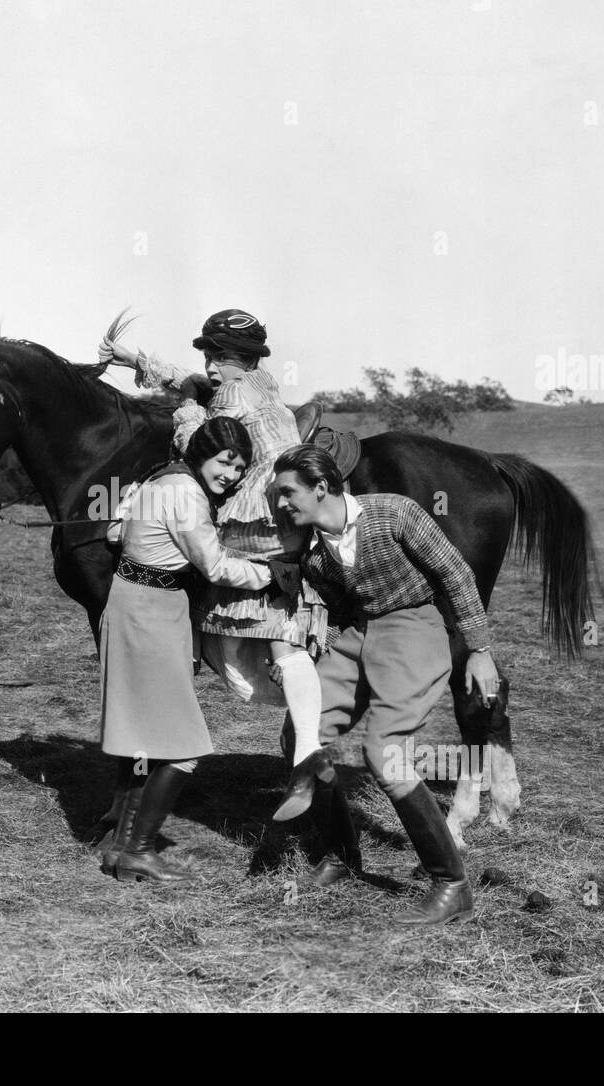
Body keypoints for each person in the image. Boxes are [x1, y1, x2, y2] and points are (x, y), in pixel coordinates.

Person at [101, 310, 334, 821]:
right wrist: (140, 361)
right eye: (208, 354)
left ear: (242, 360)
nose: (209, 364)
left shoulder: (230, 396)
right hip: (286, 515)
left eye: (219, 356)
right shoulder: (261, 382)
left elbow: (204, 448)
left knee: (242, 592)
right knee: (285, 634)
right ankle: (307, 750)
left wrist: (186, 416)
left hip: (256, 520)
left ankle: (167, 705)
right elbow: (192, 381)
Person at [269, 444, 502, 926]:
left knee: (384, 752)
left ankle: (451, 884)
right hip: (357, 633)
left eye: (288, 493)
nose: (281, 503)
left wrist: (479, 650)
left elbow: (455, 573)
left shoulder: (394, 512)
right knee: (300, 733)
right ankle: (340, 855)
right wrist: (311, 660)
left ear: (322, 487)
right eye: (278, 494)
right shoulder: (313, 552)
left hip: (414, 629)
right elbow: (334, 610)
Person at [98, 417, 273, 885]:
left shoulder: (157, 477)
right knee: (184, 747)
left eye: (240, 468)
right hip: (152, 611)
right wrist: (272, 576)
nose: (232, 476)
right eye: (224, 462)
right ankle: (138, 850)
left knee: (145, 738)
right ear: (202, 454)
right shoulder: (185, 491)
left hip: (138, 602)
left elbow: (115, 534)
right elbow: (214, 565)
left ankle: (120, 846)